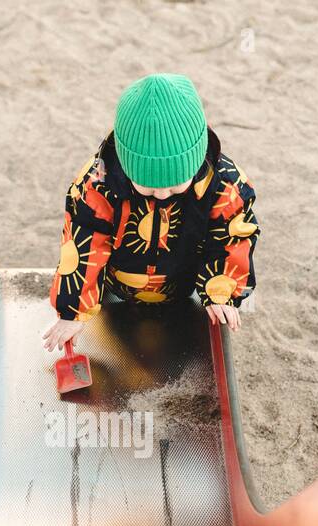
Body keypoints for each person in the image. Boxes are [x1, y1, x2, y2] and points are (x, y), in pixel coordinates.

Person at [43, 73, 260, 352]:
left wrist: (220, 293)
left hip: (183, 285)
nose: (160, 194)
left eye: (174, 186)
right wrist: (73, 311)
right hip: (116, 283)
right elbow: (84, 241)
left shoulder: (224, 186)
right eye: (146, 186)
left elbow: (231, 239)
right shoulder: (98, 184)